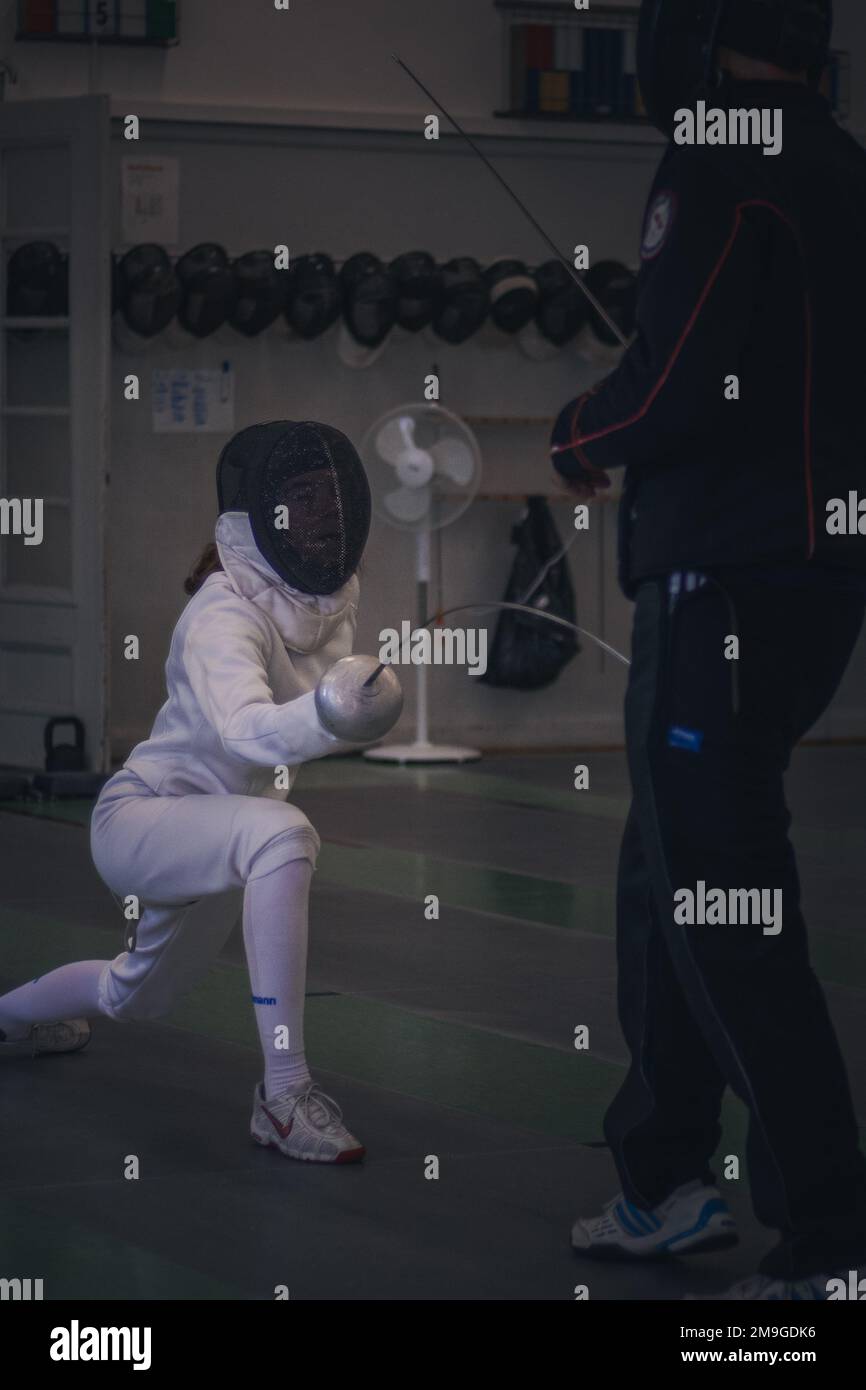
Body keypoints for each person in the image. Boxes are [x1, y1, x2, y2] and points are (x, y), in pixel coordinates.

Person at [552, 0, 866, 1298]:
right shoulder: (844, 165)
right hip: (810, 582)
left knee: (720, 902)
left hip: (720, 588)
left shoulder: (719, 153)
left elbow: (675, 375)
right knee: (667, 872)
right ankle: (662, 1176)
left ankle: (831, 1234)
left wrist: (576, 433)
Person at [0, 420, 386, 1164]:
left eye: (331, 497)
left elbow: (312, 717)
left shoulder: (328, 603)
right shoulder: (220, 614)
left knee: (134, 996)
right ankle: (282, 1096)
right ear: (262, 515)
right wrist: (333, 710)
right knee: (284, 834)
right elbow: (247, 727)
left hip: (218, 831)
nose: (324, 513)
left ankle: (8, 1019)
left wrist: (341, 706)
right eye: (302, 497)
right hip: (143, 819)